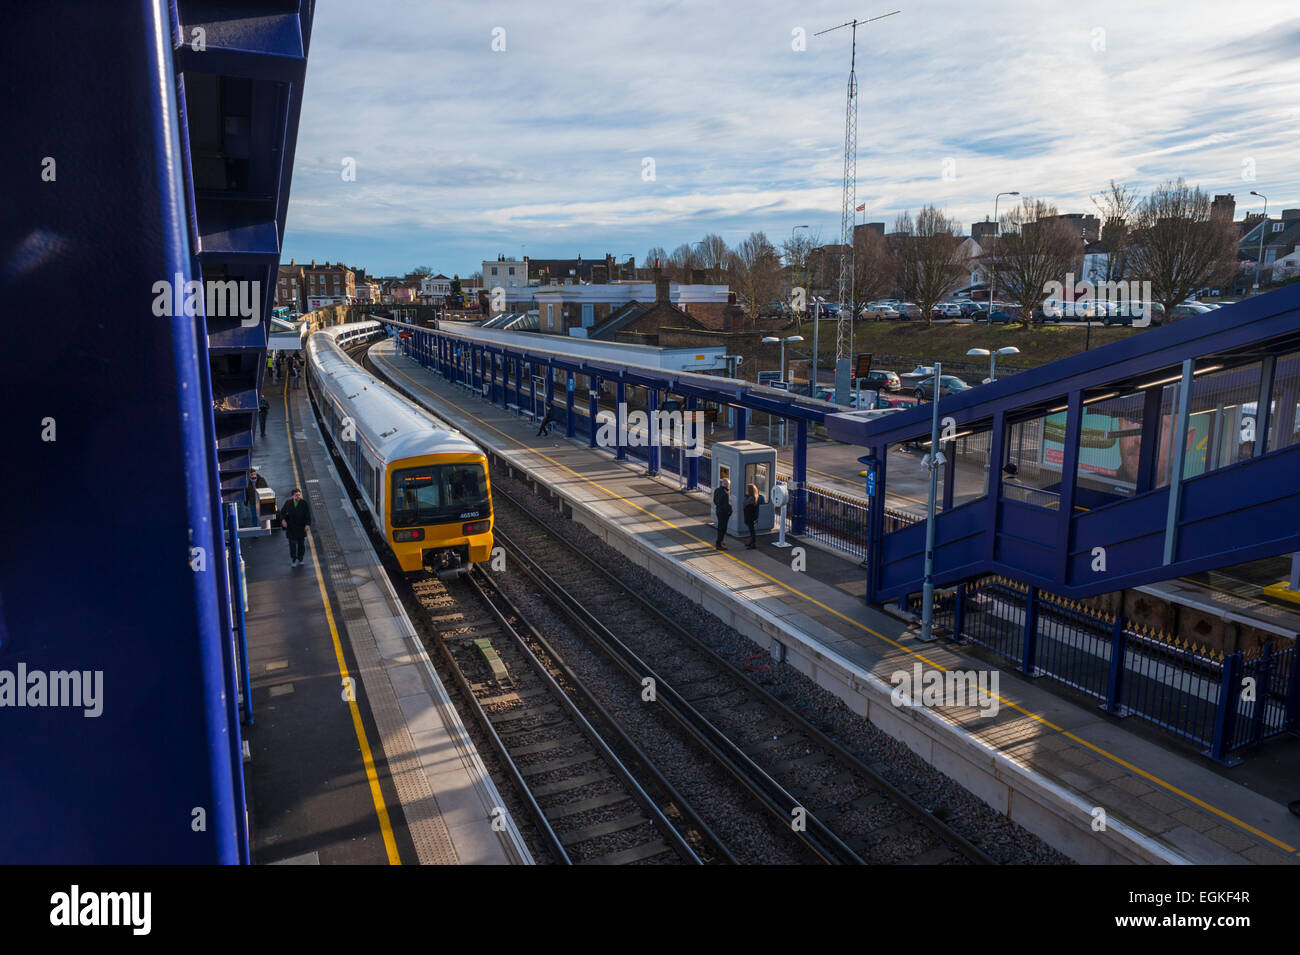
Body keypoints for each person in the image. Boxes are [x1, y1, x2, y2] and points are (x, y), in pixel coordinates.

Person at [278, 488, 312, 566]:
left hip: (301, 528)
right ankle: (293, 559)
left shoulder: (304, 503)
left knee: (301, 545)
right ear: (292, 496)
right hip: (291, 528)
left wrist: (307, 524)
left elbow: (307, 515)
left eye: (299, 495)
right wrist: (283, 520)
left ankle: (300, 559)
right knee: (292, 545)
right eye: (296, 495)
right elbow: (282, 513)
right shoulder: (288, 503)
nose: (298, 497)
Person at [713, 477, 732, 551]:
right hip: (724, 513)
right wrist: (729, 512)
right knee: (723, 528)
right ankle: (719, 544)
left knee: (720, 527)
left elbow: (715, 500)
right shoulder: (725, 493)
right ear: (726, 485)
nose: (729, 486)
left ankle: (721, 541)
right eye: (729, 485)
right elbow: (726, 505)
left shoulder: (717, 490)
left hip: (718, 511)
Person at [743, 483, 760, 549]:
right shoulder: (751, 497)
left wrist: (754, 518)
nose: (746, 490)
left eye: (747, 489)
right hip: (749, 516)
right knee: (751, 530)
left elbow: (752, 509)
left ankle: (753, 544)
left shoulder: (752, 498)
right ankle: (751, 542)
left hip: (751, 517)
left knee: (752, 531)